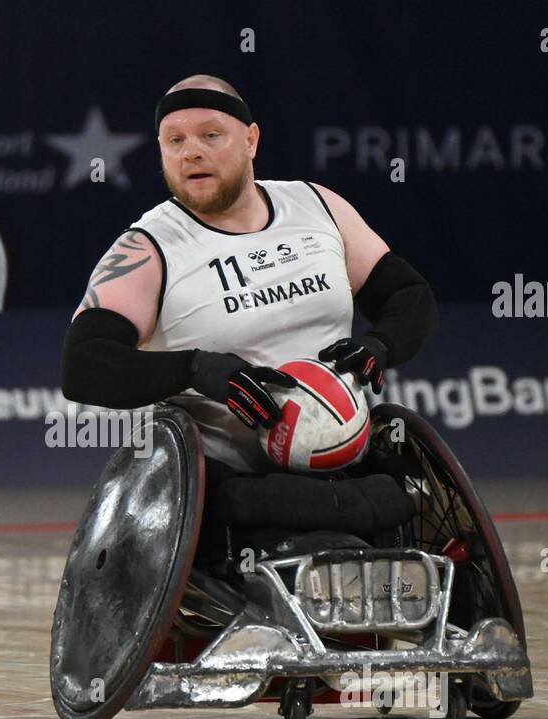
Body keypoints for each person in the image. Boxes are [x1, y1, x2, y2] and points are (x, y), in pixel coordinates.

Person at [60, 75, 439, 546]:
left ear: (251, 140)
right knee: (330, 533)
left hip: (342, 451)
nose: (191, 152)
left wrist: (380, 345)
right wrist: (195, 369)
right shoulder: (146, 249)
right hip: (231, 482)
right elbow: (84, 363)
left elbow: (408, 294)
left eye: (210, 135)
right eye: (175, 140)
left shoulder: (317, 206)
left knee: (398, 500)